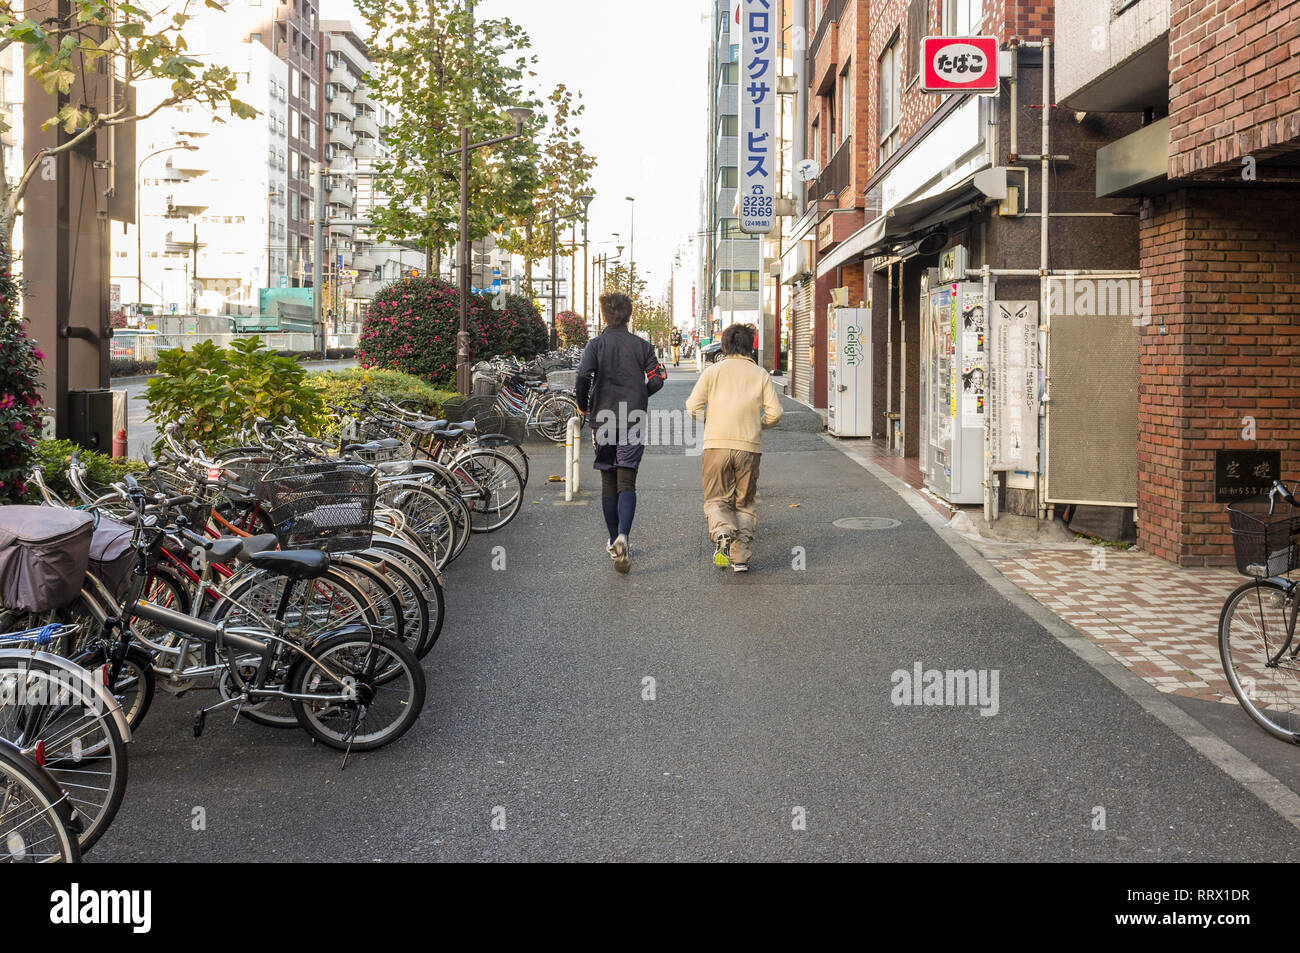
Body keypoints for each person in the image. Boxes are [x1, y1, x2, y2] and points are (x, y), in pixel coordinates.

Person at [576, 292, 667, 573]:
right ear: (629, 317)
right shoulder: (642, 346)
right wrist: (643, 393)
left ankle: (613, 539)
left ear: (603, 316)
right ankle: (624, 536)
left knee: (608, 481)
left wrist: (582, 407)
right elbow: (658, 378)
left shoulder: (595, 345)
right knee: (627, 480)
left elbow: (582, 377)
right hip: (633, 418)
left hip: (602, 419)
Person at [685, 323, 783, 572]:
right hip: (748, 446)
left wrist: (710, 420)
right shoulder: (760, 374)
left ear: (725, 345)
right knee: (745, 502)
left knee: (717, 498)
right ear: (750, 347)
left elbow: (692, 407)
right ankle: (740, 558)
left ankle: (722, 531)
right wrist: (757, 424)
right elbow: (775, 413)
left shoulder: (713, 372)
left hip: (716, 445)